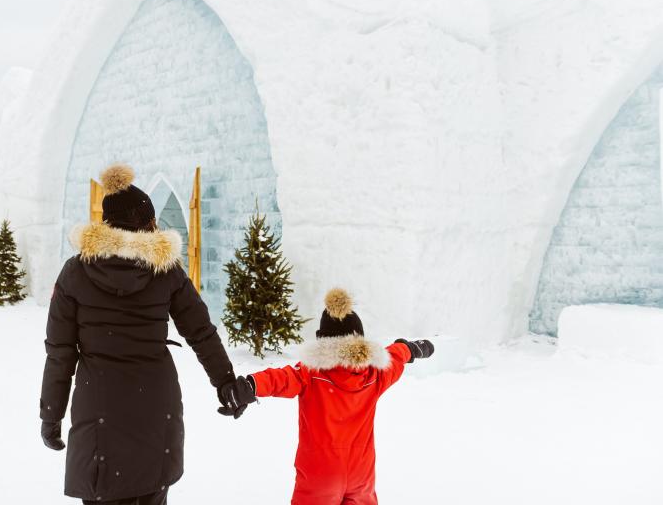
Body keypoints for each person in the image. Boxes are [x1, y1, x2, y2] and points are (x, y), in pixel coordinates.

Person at [40, 164, 240, 505]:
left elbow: (60, 351)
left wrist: (50, 413)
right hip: (155, 410)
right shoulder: (166, 270)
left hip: (100, 410)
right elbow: (201, 332)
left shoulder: (76, 272)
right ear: (144, 223)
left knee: (105, 490)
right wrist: (225, 382)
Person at [218, 288, 435, 505]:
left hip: (320, 473)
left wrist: (250, 386)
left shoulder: (311, 373)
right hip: (361, 474)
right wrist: (411, 348)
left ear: (322, 341)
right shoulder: (374, 374)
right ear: (360, 341)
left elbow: (281, 378)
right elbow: (394, 356)